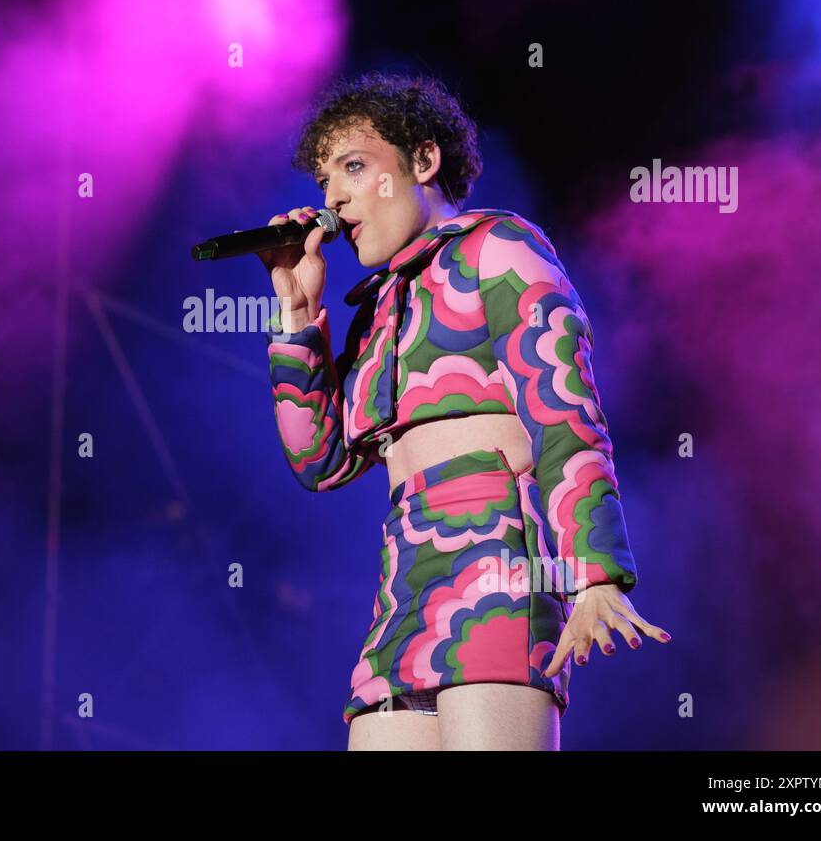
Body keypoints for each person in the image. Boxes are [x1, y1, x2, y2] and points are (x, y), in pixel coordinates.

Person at [257, 72, 671, 750]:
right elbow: (320, 462)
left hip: (499, 562)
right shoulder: (375, 310)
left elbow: (564, 413)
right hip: (401, 585)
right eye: (324, 180)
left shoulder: (498, 248)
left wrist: (594, 571)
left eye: (355, 167)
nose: (332, 198)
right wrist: (299, 316)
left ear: (423, 160)